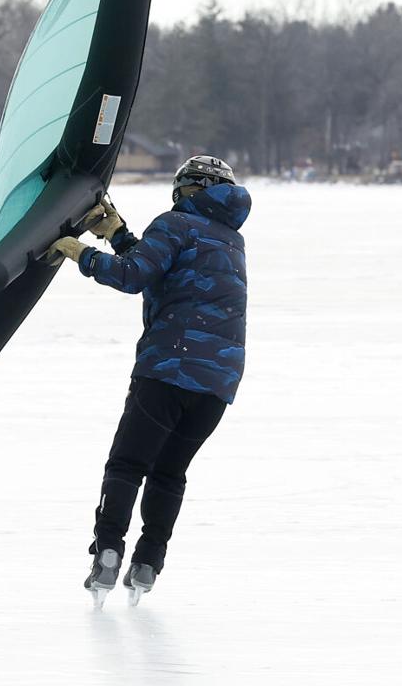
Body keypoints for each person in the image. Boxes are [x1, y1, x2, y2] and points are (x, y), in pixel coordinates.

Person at [50, 155, 250, 601]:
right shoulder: (231, 240)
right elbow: (167, 275)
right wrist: (120, 236)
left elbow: (133, 276)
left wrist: (78, 251)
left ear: (187, 190)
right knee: (168, 473)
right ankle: (147, 564)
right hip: (217, 385)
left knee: (127, 464)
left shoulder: (176, 223)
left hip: (167, 370)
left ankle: (106, 553)